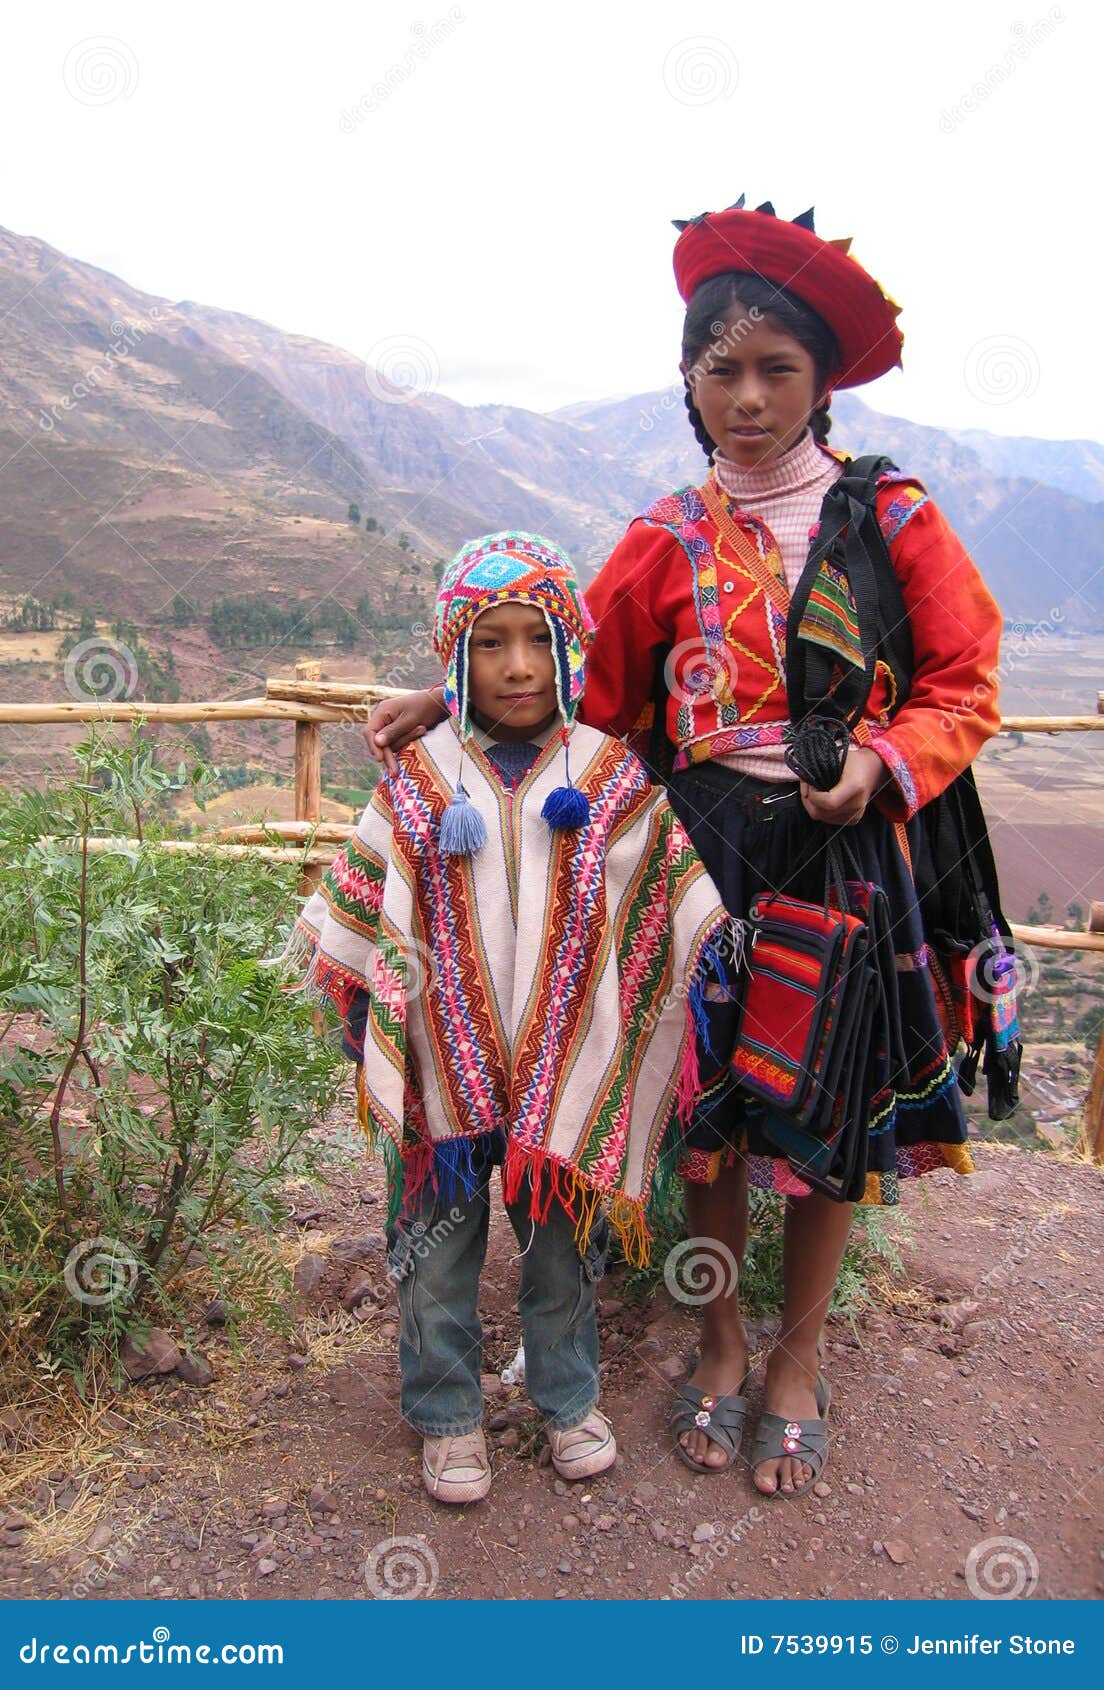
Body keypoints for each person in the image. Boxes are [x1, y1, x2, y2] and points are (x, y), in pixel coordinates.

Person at [362, 199, 1013, 1500]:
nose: (751, 395)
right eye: (724, 370)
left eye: (778, 368)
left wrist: (880, 764)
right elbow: (580, 683)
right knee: (704, 1115)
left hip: (848, 852)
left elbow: (963, 677)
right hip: (702, 852)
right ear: (689, 382)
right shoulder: (665, 538)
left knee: (825, 1127)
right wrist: (455, 694)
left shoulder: (893, 518)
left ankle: (798, 1361)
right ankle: (719, 1343)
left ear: (822, 380)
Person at [274, 530, 732, 1505]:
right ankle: (445, 1411)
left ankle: (567, 1398)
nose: (516, 664)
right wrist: (378, 1036)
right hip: (440, 1067)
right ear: (454, 655)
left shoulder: (607, 774)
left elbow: (669, 909)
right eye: (489, 642)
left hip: (565, 1067)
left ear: (568, 644)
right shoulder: (418, 774)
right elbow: (367, 912)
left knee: (562, 1246)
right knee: (433, 1245)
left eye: (536, 637)